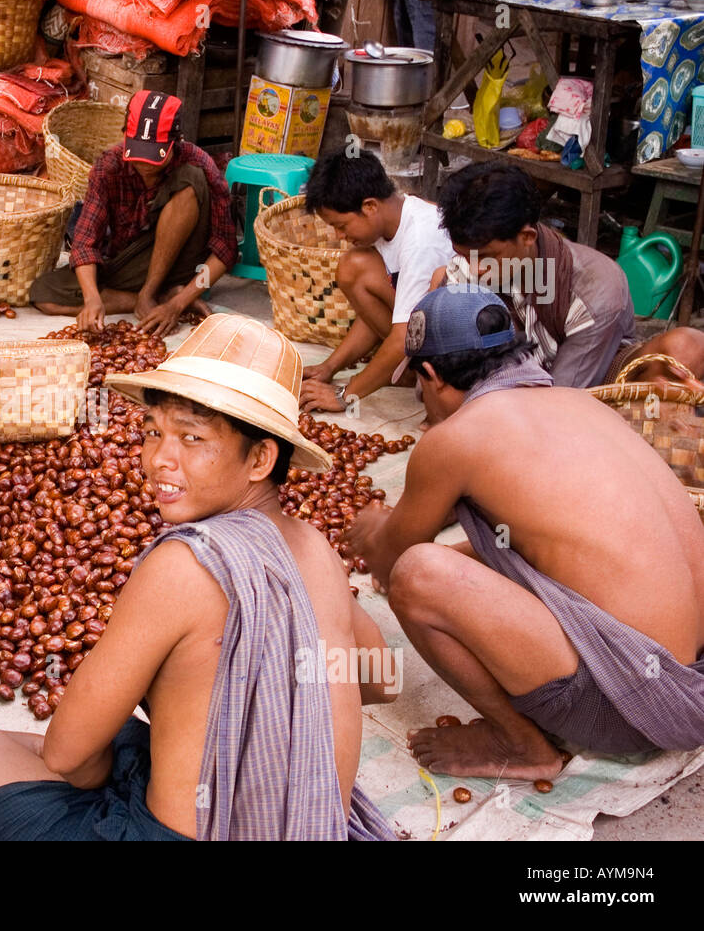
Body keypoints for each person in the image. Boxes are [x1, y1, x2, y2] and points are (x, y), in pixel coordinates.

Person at [0, 315, 397, 840]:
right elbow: (380, 680)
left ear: (261, 458)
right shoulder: (315, 548)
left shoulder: (184, 565)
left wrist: (100, 777)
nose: (158, 459)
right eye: (153, 432)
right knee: (85, 742)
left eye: (192, 437)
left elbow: (67, 754)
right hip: (305, 827)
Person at [346, 284, 704, 778]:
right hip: (689, 681)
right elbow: (538, 540)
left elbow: (390, 563)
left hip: (637, 710)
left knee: (418, 575)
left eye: (420, 384)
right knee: (487, 549)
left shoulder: (456, 440)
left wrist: (375, 532)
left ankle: (521, 746)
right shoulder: (583, 404)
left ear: (430, 375)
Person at [434, 161, 704, 390]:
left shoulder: (595, 291)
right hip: (509, 375)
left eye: (485, 257)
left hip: (592, 379)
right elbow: (436, 369)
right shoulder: (472, 260)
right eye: (466, 254)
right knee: (439, 293)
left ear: (527, 237)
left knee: (686, 347)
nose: (475, 267)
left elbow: (561, 397)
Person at [29, 90, 239, 339]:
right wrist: (92, 299)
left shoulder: (197, 161)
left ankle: (154, 293)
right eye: (138, 155)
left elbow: (225, 252)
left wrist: (178, 305)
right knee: (44, 294)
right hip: (132, 263)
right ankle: (154, 297)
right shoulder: (109, 166)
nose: (145, 165)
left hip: (185, 262)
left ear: (176, 143)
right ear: (124, 137)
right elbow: (85, 242)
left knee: (191, 178)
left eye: (155, 158)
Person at [300, 148, 455, 413]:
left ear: (370, 206)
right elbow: (376, 314)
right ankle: (404, 372)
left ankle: (419, 374)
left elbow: (406, 333)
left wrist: (346, 395)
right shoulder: (390, 221)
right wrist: (330, 366)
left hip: (454, 350)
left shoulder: (420, 241)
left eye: (342, 225)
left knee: (355, 265)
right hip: (422, 329)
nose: (339, 235)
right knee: (354, 266)